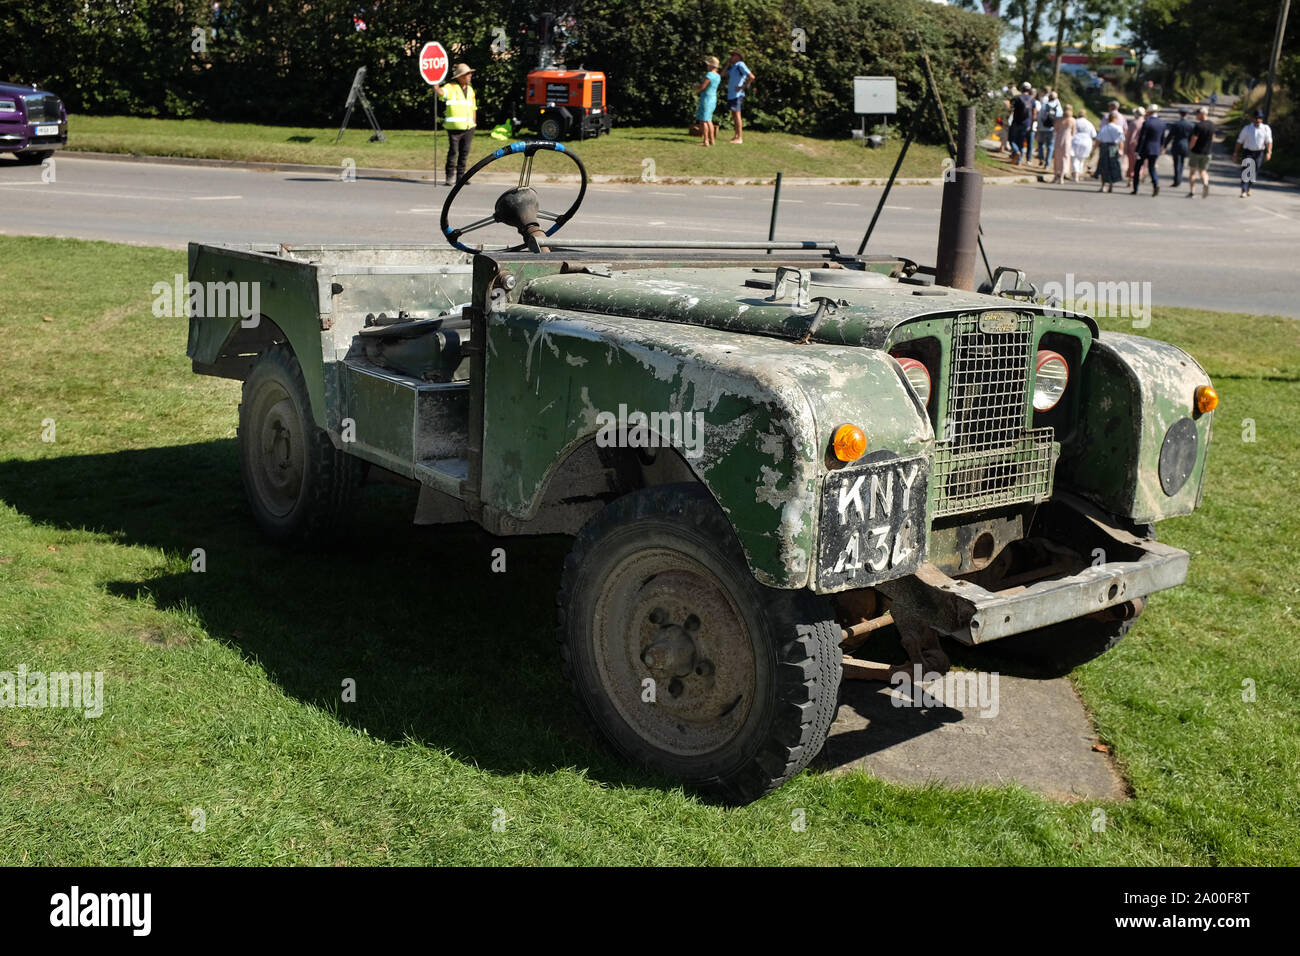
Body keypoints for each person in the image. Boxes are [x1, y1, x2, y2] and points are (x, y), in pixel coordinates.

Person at [435, 63, 476, 186]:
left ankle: (461, 177)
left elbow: (473, 107)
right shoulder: (450, 87)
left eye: (470, 73)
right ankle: (449, 176)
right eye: (468, 74)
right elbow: (442, 93)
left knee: (464, 152)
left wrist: (474, 122)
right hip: (454, 128)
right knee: (453, 152)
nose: (470, 76)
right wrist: (435, 86)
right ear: (461, 76)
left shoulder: (470, 90)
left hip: (469, 127)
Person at [1233, 109, 1274, 198]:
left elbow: (1269, 141)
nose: (1258, 120)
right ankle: (1243, 190)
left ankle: (1249, 187)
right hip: (1248, 151)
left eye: (1260, 118)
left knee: (1254, 171)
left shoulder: (1266, 129)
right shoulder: (1247, 128)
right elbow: (1239, 141)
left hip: (1259, 153)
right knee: (1246, 170)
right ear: (1253, 119)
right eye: (1256, 118)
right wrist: (1235, 153)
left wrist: (1269, 152)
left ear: (1262, 119)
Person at [724, 49, 755, 144]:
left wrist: (742, 86)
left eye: (733, 55)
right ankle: (736, 136)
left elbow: (752, 77)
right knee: (734, 115)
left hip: (737, 95)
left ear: (738, 57)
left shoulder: (741, 64)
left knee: (737, 115)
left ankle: (740, 138)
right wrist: (728, 64)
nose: (731, 57)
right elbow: (722, 74)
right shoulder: (733, 67)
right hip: (732, 94)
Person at [1133, 108, 1166, 195]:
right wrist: (1161, 148)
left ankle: (1135, 188)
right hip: (1155, 149)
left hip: (1145, 149)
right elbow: (1162, 138)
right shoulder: (1162, 123)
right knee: (1152, 168)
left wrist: (1138, 150)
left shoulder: (1147, 122)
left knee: (1137, 168)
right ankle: (1155, 184)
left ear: (1149, 112)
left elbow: (1142, 138)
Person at [1187, 106, 1215, 197]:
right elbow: (1213, 137)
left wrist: (1190, 148)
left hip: (1196, 152)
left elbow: (1194, 138)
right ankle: (1205, 184)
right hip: (1207, 152)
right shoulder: (1212, 125)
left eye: (1197, 114)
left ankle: (1192, 192)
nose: (1196, 116)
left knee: (1192, 172)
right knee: (1203, 171)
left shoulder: (1198, 126)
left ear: (1202, 114)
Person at [1163, 107, 1195, 187]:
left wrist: (1165, 145)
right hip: (1185, 145)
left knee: (1176, 163)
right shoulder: (1191, 125)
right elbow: (1192, 137)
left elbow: (1170, 136)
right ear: (1187, 114)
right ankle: (1179, 178)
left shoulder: (1176, 124)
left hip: (1176, 145)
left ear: (1180, 114)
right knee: (1182, 162)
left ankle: (1177, 180)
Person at [694, 56, 721, 146]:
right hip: (713, 98)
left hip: (706, 99)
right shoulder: (718, 76)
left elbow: (703, 87)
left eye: (708, 65)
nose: (707, 66)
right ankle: (712, 140)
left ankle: (706, 141)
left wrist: (695, 87)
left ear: (711, 66)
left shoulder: (709, 75)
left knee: (704, 120)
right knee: (709, 120)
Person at [1096, 110, 1125, 192]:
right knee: (1112, 167)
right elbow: (1121, 141)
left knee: (1103, 166)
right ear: (1115, 119)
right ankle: (1111, 185)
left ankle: (1103, 185)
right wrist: (1121, 150)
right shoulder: (1118, 128)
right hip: (1114, 147)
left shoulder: (1104, 128)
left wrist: (1094, 149)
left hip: (1104, 147)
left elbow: (1098, 140)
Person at [1008, 81, 1036, 165]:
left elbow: (1010, 106)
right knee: (1021, 142)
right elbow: (1034, 114)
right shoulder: (1032, 100)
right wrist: (1032, 125)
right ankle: (1019, 160)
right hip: (1026, 124)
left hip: (1016, 122)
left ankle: (1016, 151)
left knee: (1012, 139)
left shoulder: (1017, 98)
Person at [1051, 103, 1075, 183]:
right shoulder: (1072, 120)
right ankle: (1061, 176)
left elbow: (1055, 129)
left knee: (1057, 158)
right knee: (1065, 158)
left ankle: (1055, 175)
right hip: (1067, 140)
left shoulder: (1058, 119)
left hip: (1058, 139)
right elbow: (1073, 132)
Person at [1070, 108, 1096, 181]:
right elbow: (1094, 134)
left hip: (1075, 141)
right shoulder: (1089, 123)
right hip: (1086, 142)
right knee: (1081, 159)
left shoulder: (1075, 121)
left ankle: (1075, 174)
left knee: (1075, 159)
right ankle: (1078, 173)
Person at [1037, 90, 1061, 166]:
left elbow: (1039, 117)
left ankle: (1041, 158)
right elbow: (1059, 119)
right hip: (1052, 130)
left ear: (1049, 98)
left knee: (1041, 144)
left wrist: (1039, 127)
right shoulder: (1058, 108)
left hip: (1043, 128)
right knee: (1050, 146)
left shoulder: (1044, 106)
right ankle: (1047, 163)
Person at [1125, 106, 1145, 186]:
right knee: (1140, 163)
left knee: (1131, 164)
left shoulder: (1133, 123)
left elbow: (1128, 136)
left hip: (1132, 145)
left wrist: (1125, 147)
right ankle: (1138, 177)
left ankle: (1130, 179)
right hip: (1142, 146)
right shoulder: (1145, 122)